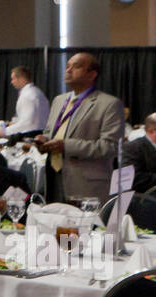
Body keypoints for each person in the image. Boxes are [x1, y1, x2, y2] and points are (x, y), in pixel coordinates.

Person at [38, 52, 124, 204]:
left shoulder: (109, 104)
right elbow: (51, 132)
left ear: (92, 75)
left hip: (86, 184)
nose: (68, 70)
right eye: (67, 66)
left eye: (76, 66)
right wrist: (43, 141)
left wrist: (66, 146)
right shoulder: (59, 100)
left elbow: (110, 146)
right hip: (54, 178)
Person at [0, 66, 49, 142]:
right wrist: (14, 123)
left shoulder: (27, 95)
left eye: (13, 79)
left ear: (22, 79)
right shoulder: (37, 92)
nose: (12, 82)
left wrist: (4, 131)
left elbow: (27, 123)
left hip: (31, 136)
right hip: (41, 133)